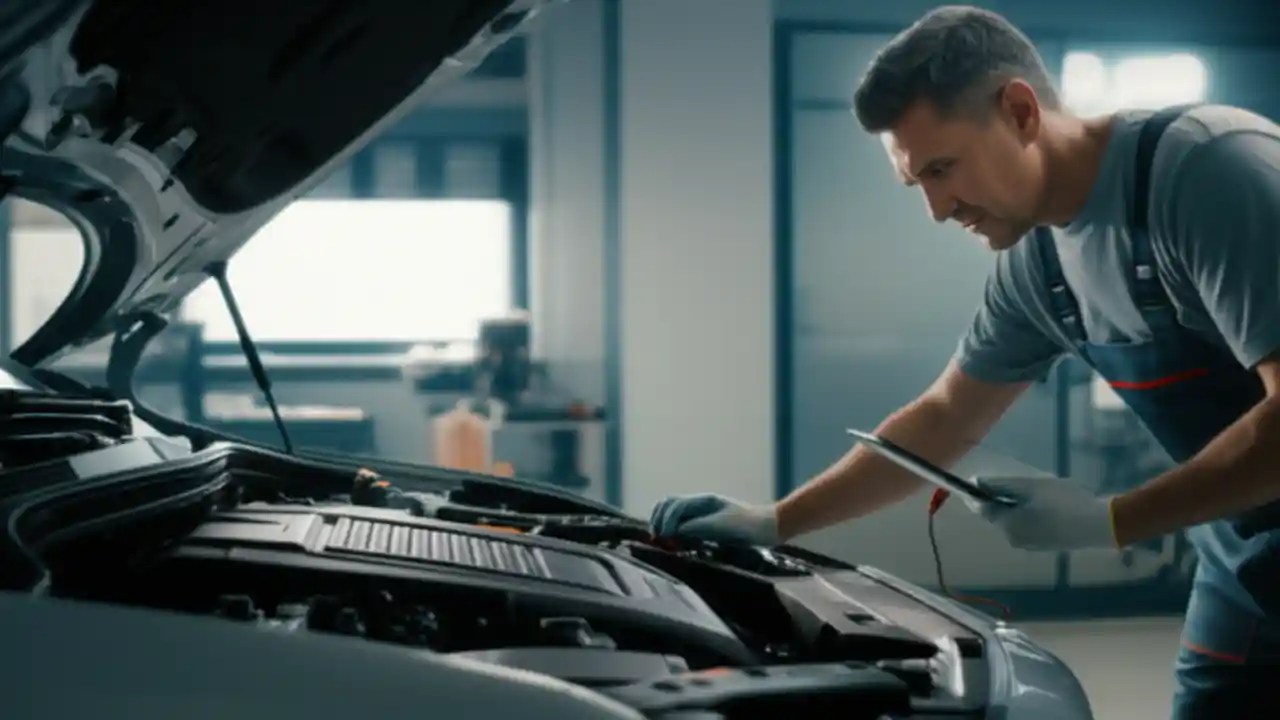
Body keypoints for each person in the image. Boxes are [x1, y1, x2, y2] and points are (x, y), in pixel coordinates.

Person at [647, 5, 1280, 717]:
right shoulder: (1039, 265)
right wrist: (776, 521)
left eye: (944, 169)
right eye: (918, 183)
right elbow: (947, 416)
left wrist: (1113, 520)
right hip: (1247, 568)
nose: (939, 210)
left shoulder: (1207, 174)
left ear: (1019, 111)